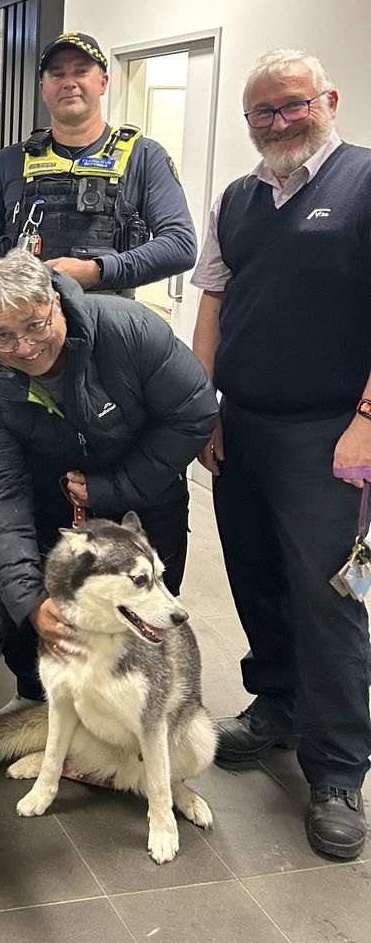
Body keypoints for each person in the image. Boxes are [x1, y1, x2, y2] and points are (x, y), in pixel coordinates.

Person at [0, 30, 197, 668]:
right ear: (42, 88)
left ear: (102, 81)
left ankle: (131, 623)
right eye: (56, 73)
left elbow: (179, 245)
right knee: (22, 488)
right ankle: (3, 612)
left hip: (106, 349)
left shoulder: (142, 157)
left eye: (81, 71)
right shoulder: (12, 163)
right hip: (13, 344)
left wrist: (94, 272)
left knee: (117, 493)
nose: (69, 83)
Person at [191, 48, 371, 861]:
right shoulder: (237, 198)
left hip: (333, 431)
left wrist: (366, 418)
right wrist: (204, 409)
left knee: (329, 597)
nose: (277, 123)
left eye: (293, 106)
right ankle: (277, 707)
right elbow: (214, 305)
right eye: (262, 112)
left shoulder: (363, 184)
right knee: (257, 573)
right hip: (245, 421)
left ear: (327, 100)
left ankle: (337, 772)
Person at [0, 249, 216, 712]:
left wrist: (113, 488)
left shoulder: (129, 328)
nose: (24, 347)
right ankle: (33, 699)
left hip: (145, 491)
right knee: (32, 615)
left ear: (55, 301)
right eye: (3, 337)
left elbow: (194, 413)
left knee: (141, 614)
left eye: (35, 325)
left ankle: (136, 716)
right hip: (48, 499)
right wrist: (30, 600)